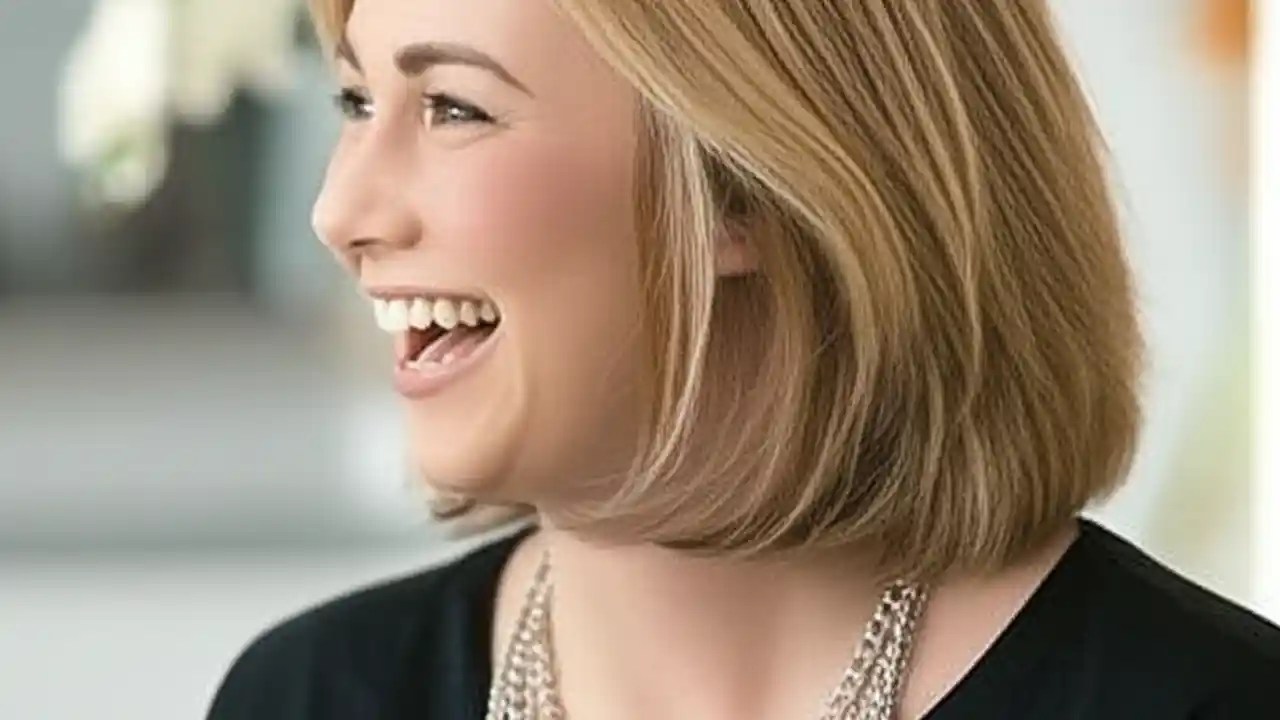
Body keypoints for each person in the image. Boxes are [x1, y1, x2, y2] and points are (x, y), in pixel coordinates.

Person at [205, 0, 1280, 717]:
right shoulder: (311, 696)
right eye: (355, 100)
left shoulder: (1195, 700)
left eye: (453, 108)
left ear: (751, 183)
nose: (337, 210)